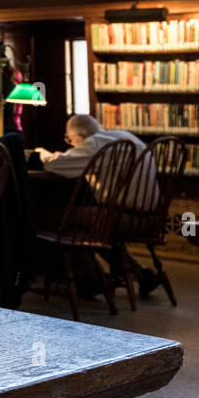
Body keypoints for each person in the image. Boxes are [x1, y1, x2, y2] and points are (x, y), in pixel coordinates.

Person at [35, 113, 162, 296]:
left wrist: (42, 153)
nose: (70, 144)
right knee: (96, 226)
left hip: (122, 217)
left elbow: (56, 165)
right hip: (150, 217)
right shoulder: (125, 136)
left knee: (56, 217)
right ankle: (139, 272)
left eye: (69, 140)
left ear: (78, 138)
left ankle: (89, 280)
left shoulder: (94, 143)